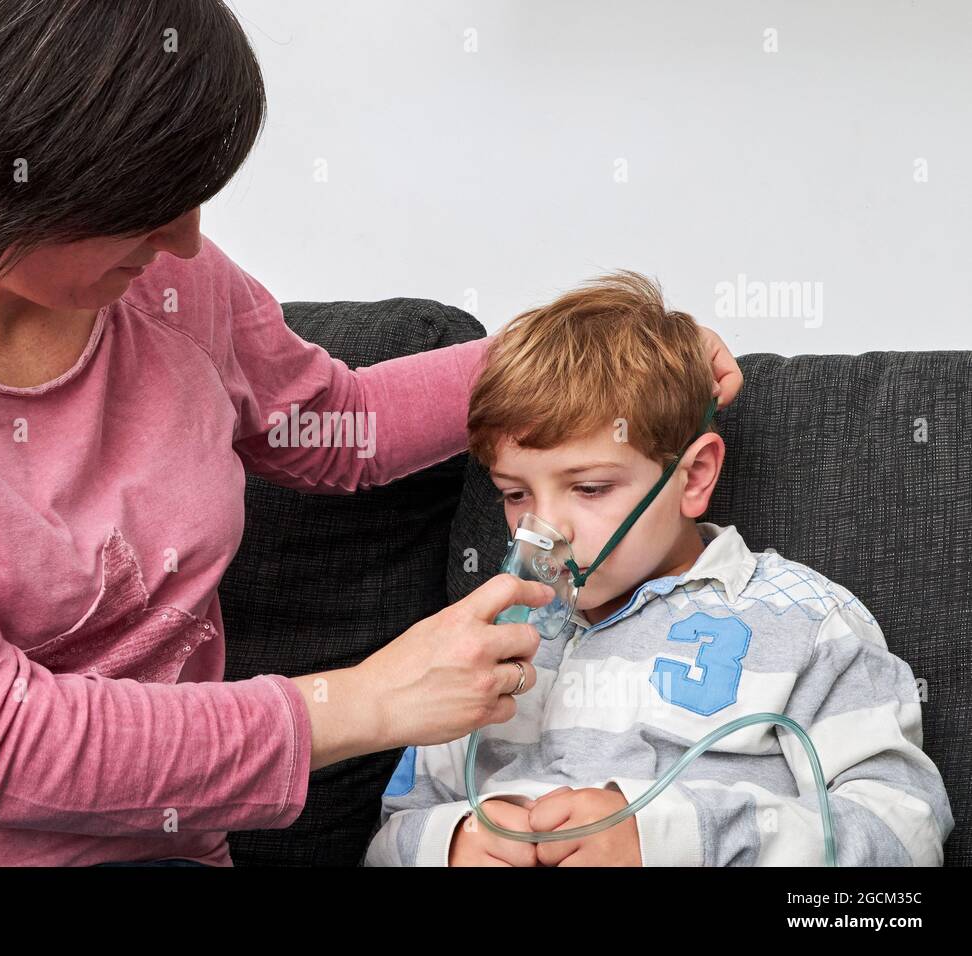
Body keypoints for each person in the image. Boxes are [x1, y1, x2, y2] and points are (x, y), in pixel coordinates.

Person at [0, 2, 743, 867]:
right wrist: (362, 700)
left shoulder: (173, 283)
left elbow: (341, 425)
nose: (187, 239)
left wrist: (613, 351)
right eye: (146, 208)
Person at [364, 272, 952, 866]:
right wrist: (450, 844)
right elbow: (394, 830)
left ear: (693, 477)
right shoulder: (484, 642)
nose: (545, 531)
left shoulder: (802, 623)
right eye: (515, 494)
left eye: (590, 488)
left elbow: (905, 833)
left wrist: (666, 844)